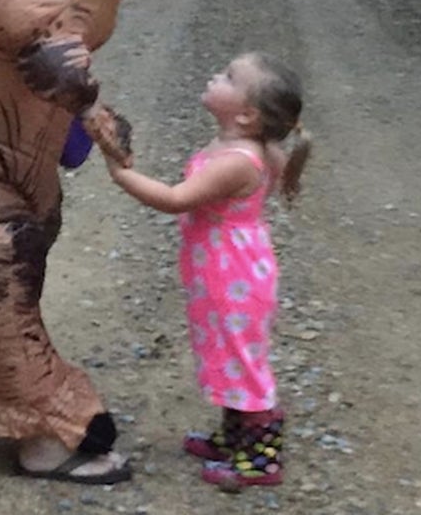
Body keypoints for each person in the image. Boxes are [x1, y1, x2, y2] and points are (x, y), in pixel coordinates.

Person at [106, 52, 311, 489]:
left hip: (231, 274)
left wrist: (120, 172)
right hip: (226, 269)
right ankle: (234, 437)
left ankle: (262, 458)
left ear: (246, 114)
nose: (216, 75)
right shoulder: (253, 147)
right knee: (227, 355)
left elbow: (176, 198)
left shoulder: (239, 160)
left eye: (229, 76)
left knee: (241, 359)